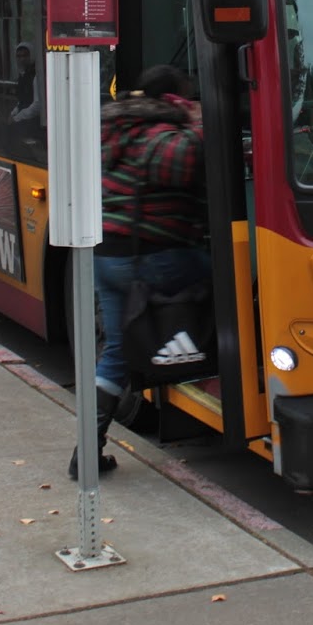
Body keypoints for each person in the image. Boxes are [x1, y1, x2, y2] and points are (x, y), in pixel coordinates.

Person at [70, 64, 209, 479]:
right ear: (172, 99)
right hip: (148, 258)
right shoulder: (155, 135)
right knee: (236, 274)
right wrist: (202, 119)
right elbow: (181, 163)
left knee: (116, 352)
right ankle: (210, 358)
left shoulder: (113, 131)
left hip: (108, 258)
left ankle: (87, 452)